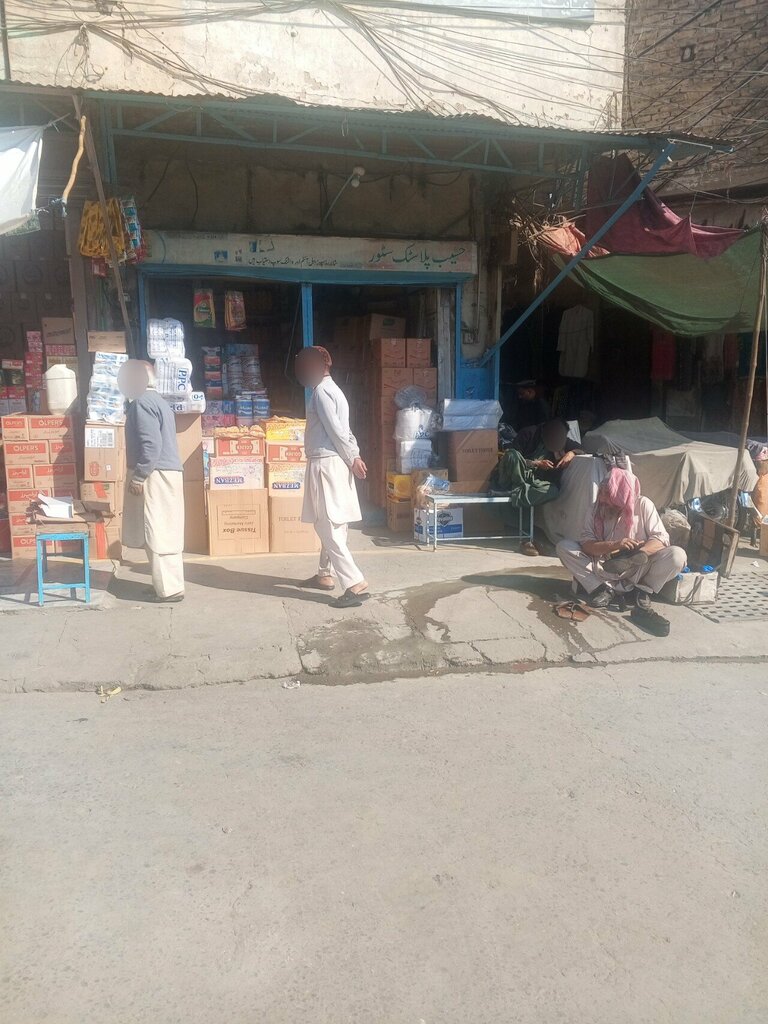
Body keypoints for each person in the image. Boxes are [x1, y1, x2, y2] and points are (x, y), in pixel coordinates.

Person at [556, 467, 686, 636]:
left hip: (637, 568)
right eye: (601, 493)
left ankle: (642, 591)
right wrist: (615, 545)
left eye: (607, 495)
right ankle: (601, 589)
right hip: (604, 565)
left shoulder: (643, 504)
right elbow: (587, 545)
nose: (602, 499)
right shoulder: (596, 508)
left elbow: (661, 538)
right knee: (565, 547)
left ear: (621, 494)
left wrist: (640, 553)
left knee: (677, 556)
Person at [296, 346, 370, 609]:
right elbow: (345, 431)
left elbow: (337, 431)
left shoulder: (322, 392)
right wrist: (355, 455)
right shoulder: (335, 390)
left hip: (325, 464)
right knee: (334, 523)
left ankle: (354, 582)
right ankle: (324, 574)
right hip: (334, 463)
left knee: (326, 524)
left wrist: (353, 457)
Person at [120, 360, 185, 604]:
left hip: (155, 474)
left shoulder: (141, 403)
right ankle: (164, 585)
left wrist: (139, 476)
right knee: (160, 531)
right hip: (164, 472)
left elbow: (151, 445)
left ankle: (169, 589)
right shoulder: (158, 402)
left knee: (158, 532)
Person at [513, 417, 583, 483]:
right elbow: (512, 459)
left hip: (539, 481)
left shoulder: (559, 439)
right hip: (518, 476)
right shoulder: (527, 434)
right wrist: (536, 463)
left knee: (553, 491)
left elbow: (582, 449)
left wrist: (572, 453)